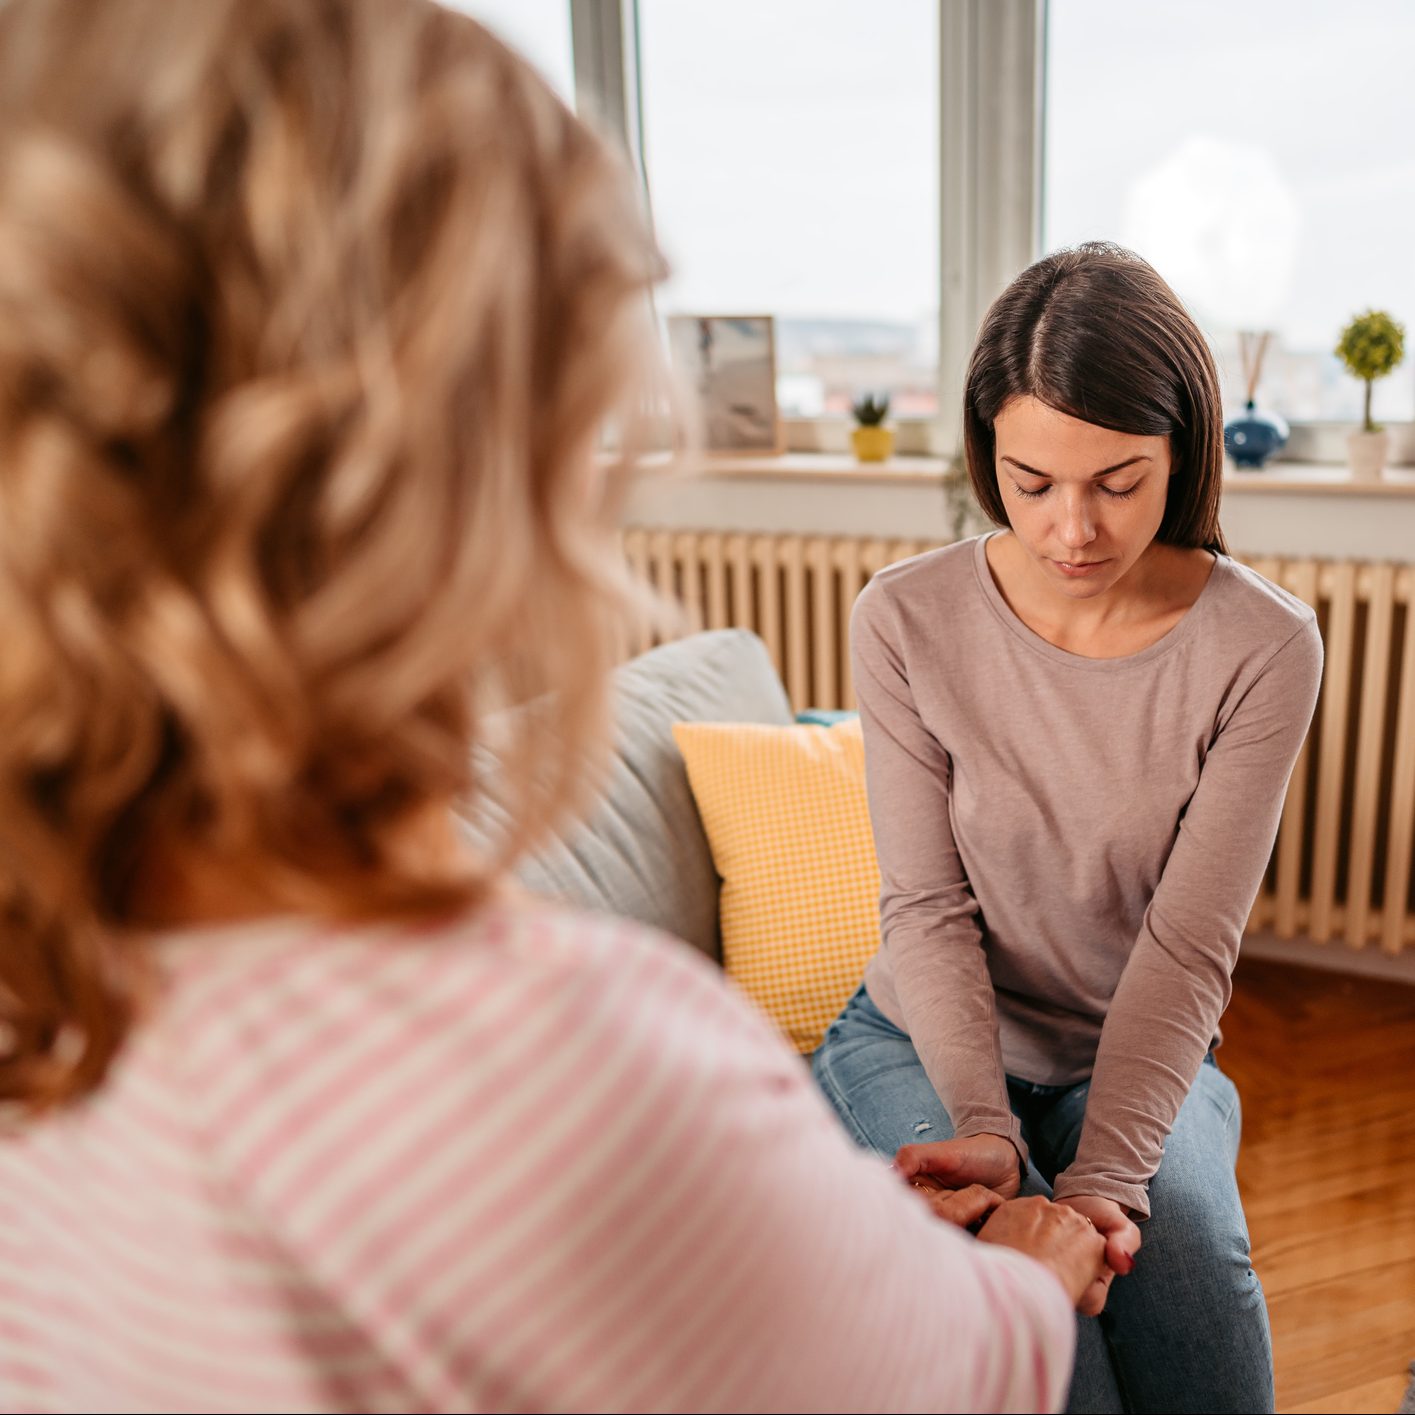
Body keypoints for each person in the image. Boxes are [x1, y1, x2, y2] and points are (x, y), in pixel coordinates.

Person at [0, 2, 1108, 1411]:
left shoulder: (55, 997)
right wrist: (1031, 1258)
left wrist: (828, 1230)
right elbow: (957, 1370)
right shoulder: (573, 1066)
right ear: (454, 497)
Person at [812, 242, 1324, 1415]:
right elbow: (926, 908)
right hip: (922, 1035)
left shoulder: (1263, 645)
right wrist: (989, 1138)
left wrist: (1099, 1185)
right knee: (1046, 1342)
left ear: (1180, 453)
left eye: (1115, 480)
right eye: (1029, 479)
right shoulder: (902, 616)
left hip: (1127, 1039)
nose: (1071, 529)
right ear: (987, 451)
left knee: (1191, 1281)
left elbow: (1188, 940)